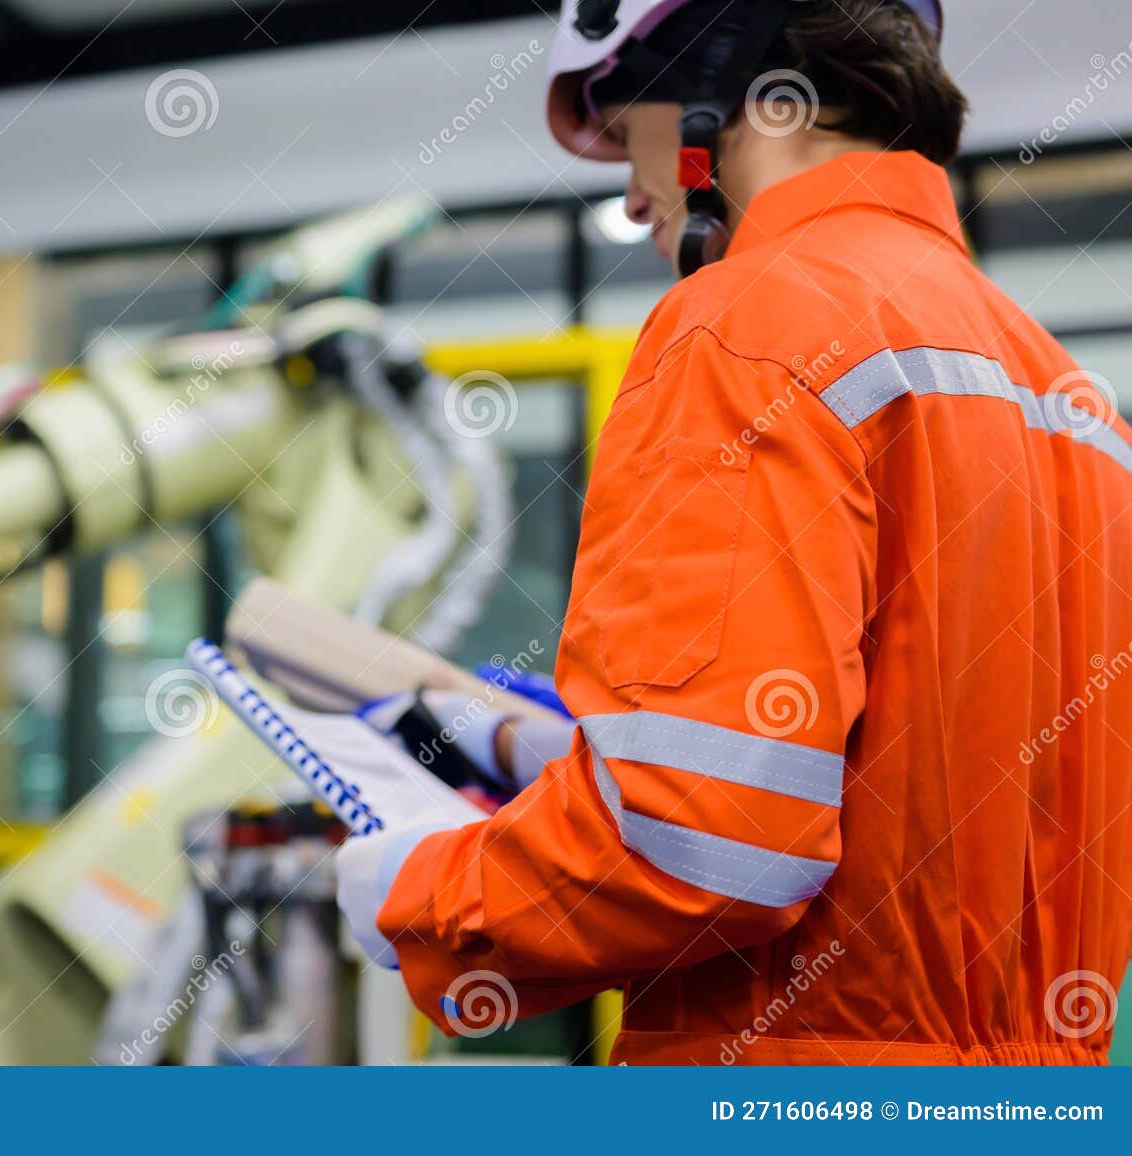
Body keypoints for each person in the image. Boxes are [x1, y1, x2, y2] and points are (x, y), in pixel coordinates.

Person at [336, 0, 1132, 1065]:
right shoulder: (1073, 400)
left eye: (625, 132)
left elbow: (705, 838)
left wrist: (418, 886)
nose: (630, 192)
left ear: (727, 70)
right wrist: (562, 760)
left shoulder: (745, 324)